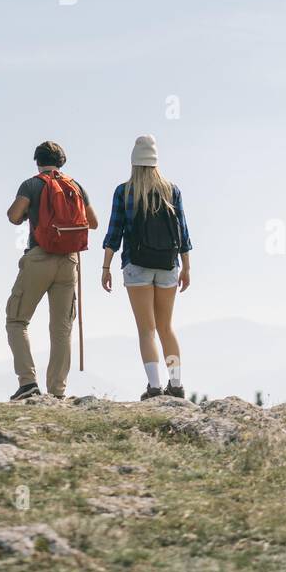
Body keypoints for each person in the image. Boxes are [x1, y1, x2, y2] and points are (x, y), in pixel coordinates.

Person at [5, 141, 99, 401]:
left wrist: (28, 215)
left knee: (16, 320)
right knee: (61, 329)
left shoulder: (31, 184)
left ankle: (28, 383)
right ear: (62, 161)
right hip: (69, 261)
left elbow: (14, 216)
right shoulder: (76, 186)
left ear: (37, 160)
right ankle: (57, 391)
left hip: (39, 258)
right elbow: (93, 223)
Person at [101, 135, 191, 400]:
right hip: (167, 265)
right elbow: (183, 233)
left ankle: (154, 387)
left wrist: (105, 268)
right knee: (166, 327)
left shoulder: (124, 191)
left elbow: (113, 233)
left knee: (146, 329)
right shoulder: (171, 190)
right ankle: (175, 386)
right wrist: (186, 267)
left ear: (134, 162)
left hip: (137, 265)